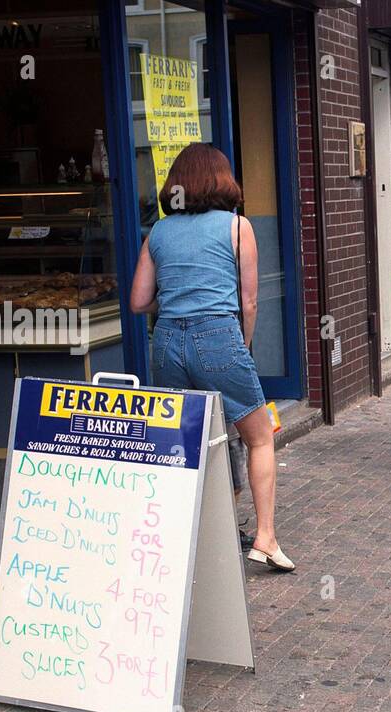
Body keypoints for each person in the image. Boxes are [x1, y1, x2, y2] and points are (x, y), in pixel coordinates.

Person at [129, 143, 295, 572]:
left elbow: (139, 301)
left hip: (167, 340)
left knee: (180, 440)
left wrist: (176, 298)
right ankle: (265, 536)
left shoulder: (159, 232)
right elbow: (250, 301)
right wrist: (241, 345)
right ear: (221, 180)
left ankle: (182, 536)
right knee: (259, 435)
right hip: (219, 335)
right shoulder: (238, 227)